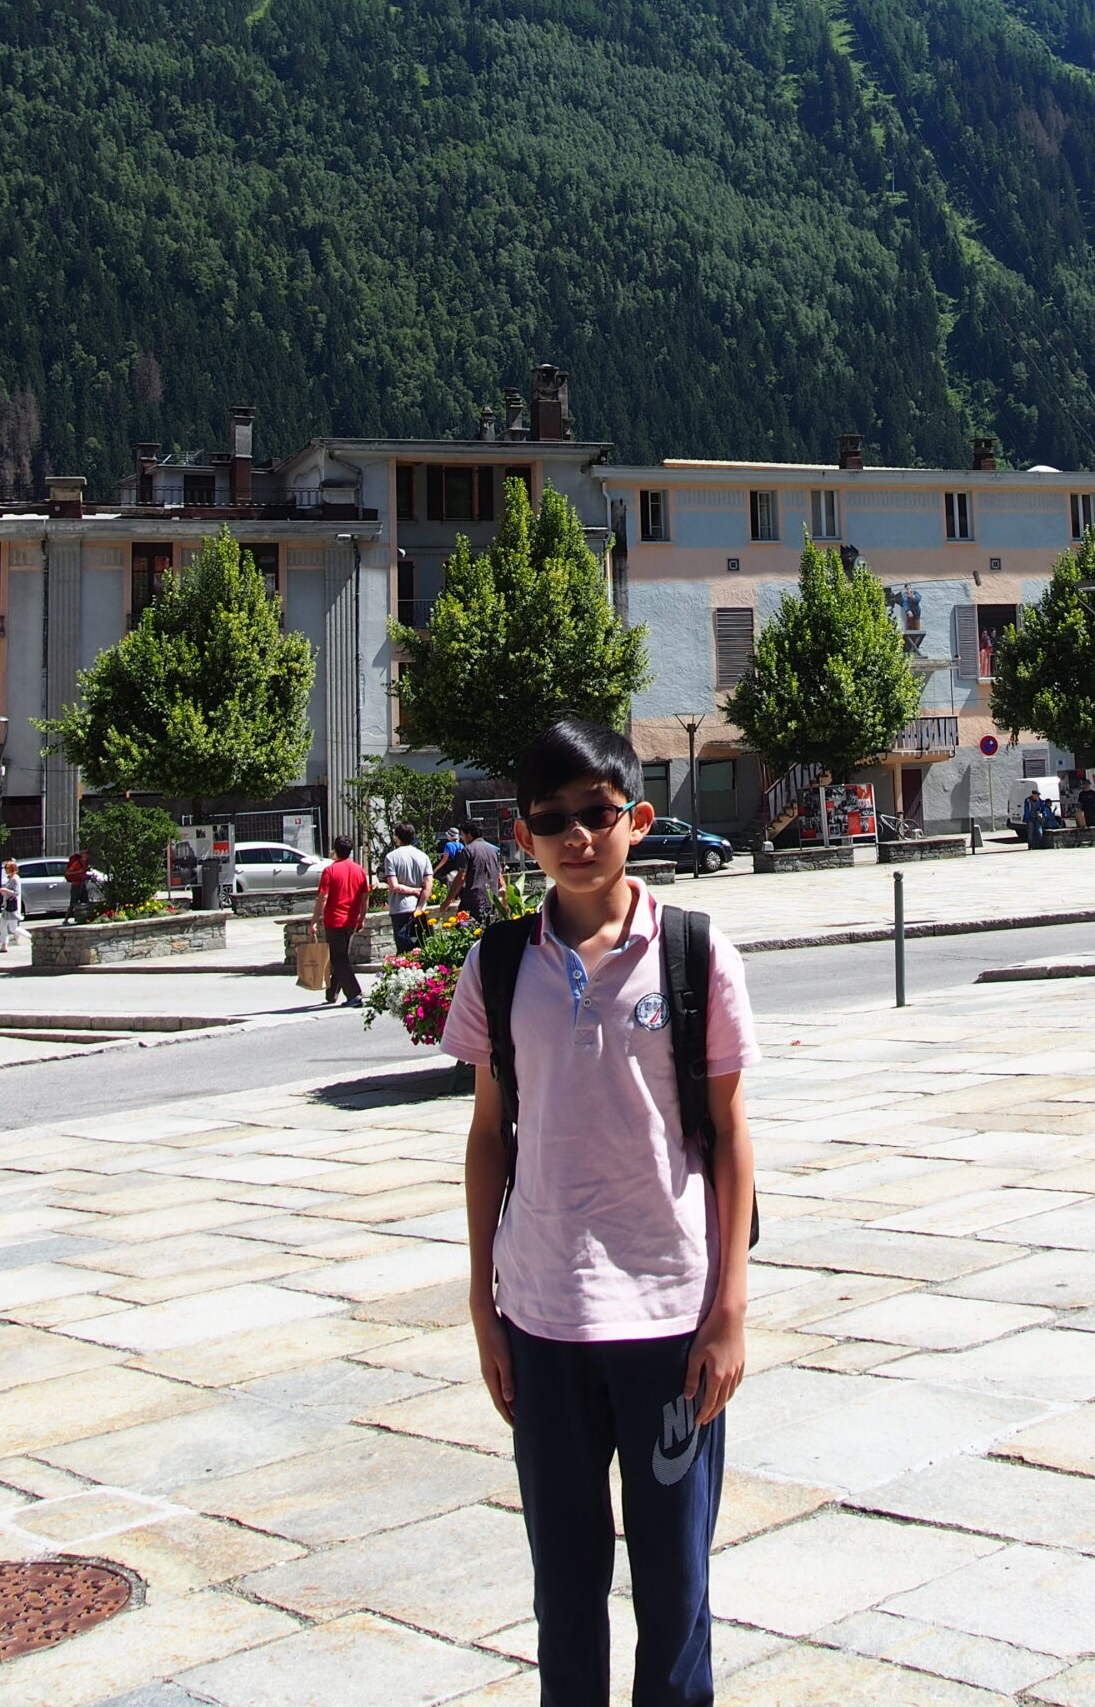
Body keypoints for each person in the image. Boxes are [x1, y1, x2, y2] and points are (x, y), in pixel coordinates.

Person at [446, 715, 758, 1707]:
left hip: (670, 1317)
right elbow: (492, 1132)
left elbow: (730, 1132)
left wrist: (730, 1311)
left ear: (638, 819)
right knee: (564, 1585)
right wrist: (481, 1303)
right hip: (543, 1318)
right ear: (524, 834)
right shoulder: (501, 966)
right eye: (554, 819)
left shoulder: (695, 953)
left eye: (597, 813)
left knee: (676, 1586)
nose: (579, 835)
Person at [313, 833, 370, 1006]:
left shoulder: (330, 870)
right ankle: (332, 993)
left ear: (335, 851)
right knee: (341, 956)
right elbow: (365, 896)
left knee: (338, 959)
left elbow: (323, 897)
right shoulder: (359, 870)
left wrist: (314, 920)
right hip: (351, 920)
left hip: (334, 920)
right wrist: (362, 917)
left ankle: (354, 993)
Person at [383, 820, 434, 955]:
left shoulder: (391, 857)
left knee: (403, 951)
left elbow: (394, 885)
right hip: (419, 908)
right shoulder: (423, 856)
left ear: (398, 838)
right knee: (422, 949)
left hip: (399, 908)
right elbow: (429, 883)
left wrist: (412, 890)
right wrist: (420, 906)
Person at [447, 826, 507, 924]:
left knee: (464, 927)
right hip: (491, 898)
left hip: (473, 899)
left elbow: (461, 876)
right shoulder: (493, 850)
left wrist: (448, 899)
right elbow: (499, 875)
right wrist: (504, 895)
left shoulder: (467, 850)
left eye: (463, 835)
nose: (463, 838)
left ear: (469, 834)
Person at [0, 854, 23, 952]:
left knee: (13, 928)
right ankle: (4, 945)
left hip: (12, 907)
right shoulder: (10, 878)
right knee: (2, 926)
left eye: (7, 868)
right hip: (7, 906)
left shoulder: (15, 878)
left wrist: (5, 890)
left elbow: (16, 893)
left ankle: (31, 936)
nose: (5, 869)